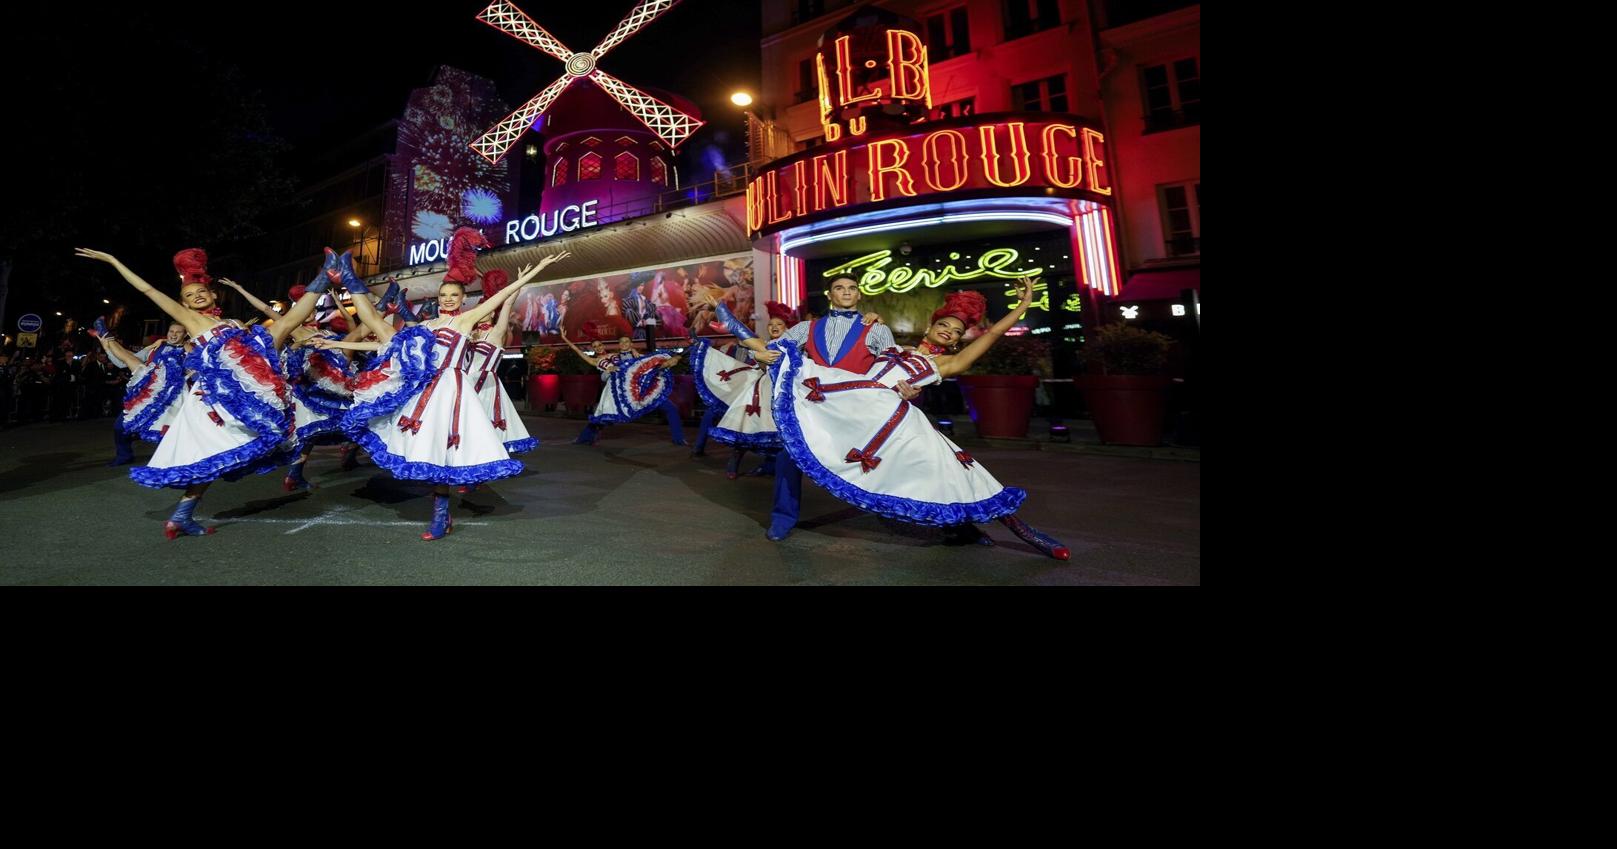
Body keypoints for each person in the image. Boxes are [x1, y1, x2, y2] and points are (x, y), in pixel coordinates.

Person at [75, 246, 330, 539]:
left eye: (201, 291)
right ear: (183, 304)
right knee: (210, 454)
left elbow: (267, 337)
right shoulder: (192, 321)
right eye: (189, 295)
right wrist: (113, 260)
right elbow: (148, 290)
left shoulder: (233, 323)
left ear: (213, 295)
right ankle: (182, 515)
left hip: (241, 393)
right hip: (214, 400)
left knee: (215, 455)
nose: (196, 296)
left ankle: (181, 516)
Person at [319, 248, 568, 540]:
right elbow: (389, 344)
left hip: (451, 390)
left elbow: (500, 298)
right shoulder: (426, 325)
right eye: (443, 295)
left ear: (463, 299)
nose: (448, 299)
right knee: (425, 448)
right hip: (424, 389)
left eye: (453, 295)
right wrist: (337, 345)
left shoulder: (464, 321)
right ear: (438, 298)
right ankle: (441, 512)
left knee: (444, 451)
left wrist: (534, 272)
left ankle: (440, 515)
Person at [560, 332, 686, 446]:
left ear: (631, 344)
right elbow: (597, 369)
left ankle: (679, 439)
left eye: (626, 342)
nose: (624, 344)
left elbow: (652, 364)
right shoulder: (610, 358)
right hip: (619, 394)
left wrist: (672, 360)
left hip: (643, 391)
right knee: (603, 415)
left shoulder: (637, 357)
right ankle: (584, 438)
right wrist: (565, 339)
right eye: (621, 342)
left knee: (671, 408)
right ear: (619, 345)